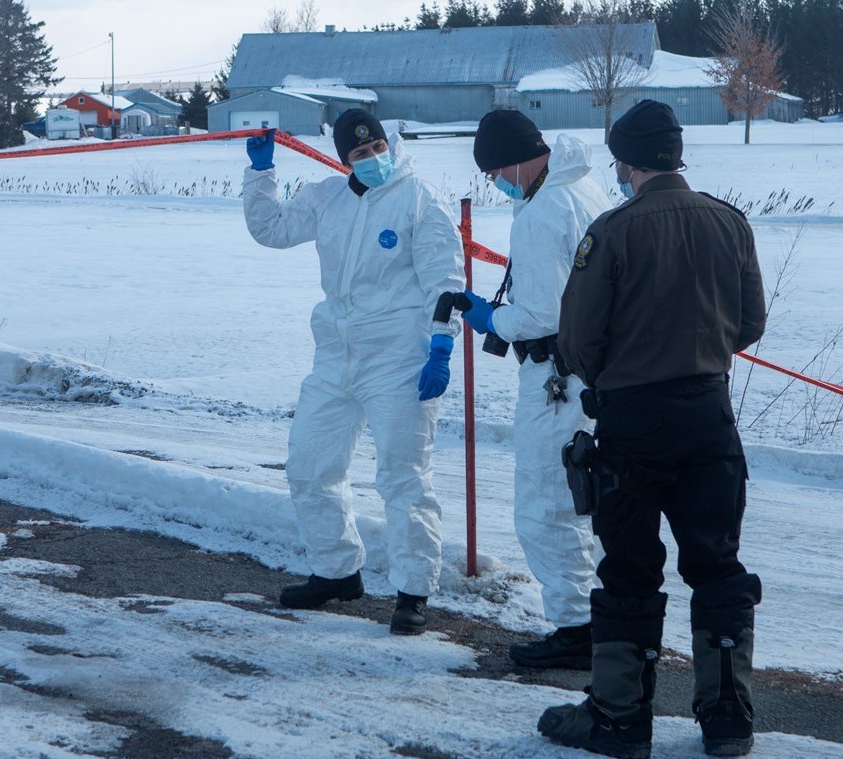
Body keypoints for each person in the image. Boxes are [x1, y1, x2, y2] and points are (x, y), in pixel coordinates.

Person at [538, 100, 767, 758]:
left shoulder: (611, 232)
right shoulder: (730, 222)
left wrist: (625, 366)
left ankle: (619, 715)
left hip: (633, 420)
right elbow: (750, 325)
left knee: (630, 568)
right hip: (708, 414)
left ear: (627, 162)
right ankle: (728, 719)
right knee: (717, 565)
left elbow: (578, 341)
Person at [242, 110, 464, 636]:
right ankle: (336, 571)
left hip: (400, 356)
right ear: (344, 160)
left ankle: (413, 591)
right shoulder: (327, 198)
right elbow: (271, 229)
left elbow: (445, 279)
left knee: (402, 474)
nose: (373, 158)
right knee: (310, 464)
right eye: (360, 154)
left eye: (378, 147)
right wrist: (260, 172)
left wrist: (440, 344)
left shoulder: (419, 199)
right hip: (336, 354)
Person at [460, 110, 613, 670]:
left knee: (545, 504)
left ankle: (576, 630)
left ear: (515, 159)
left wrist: (491, 320)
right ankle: (595, 622)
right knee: (579, 501)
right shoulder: (581, 187)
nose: (496, 182)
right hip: (591, 372)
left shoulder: (544, 210)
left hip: (558, 377)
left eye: (496, 170)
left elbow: (541, 312)